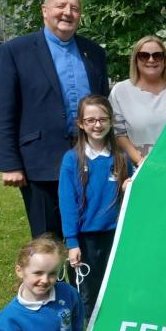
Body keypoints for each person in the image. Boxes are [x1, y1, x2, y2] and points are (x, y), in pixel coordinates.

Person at [0, 0, 109, 238]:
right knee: (48, 239)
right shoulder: (15, 52)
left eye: (74, 8)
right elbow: (2, 113)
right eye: (61, 6)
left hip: (89, 159)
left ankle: (85, 279)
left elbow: (103, 105)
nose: (67, 12)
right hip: (40, 164)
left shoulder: (95, 53)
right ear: (45, 11)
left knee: (90, 233)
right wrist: (10, 164)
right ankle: (50, 279)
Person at [58, 95, 132, 318]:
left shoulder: (120, 158)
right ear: (81, 123)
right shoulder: (72, 159)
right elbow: (67, 203)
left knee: (113, 288)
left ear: (110, 121)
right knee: (87, 295)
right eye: (90, 120)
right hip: (84, 240)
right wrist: (72, 242)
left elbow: (129, 198)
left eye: (102, 119)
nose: (97, 125)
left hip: (113, 235)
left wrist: (131, 186)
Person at [109, 36, 166, 165]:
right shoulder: (120, 91)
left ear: (165, 60)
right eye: (144, 55)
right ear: (135, 60)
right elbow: (118, 134)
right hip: (137, 168)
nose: (151, 60)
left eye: (157, 55)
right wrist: (141, 162)